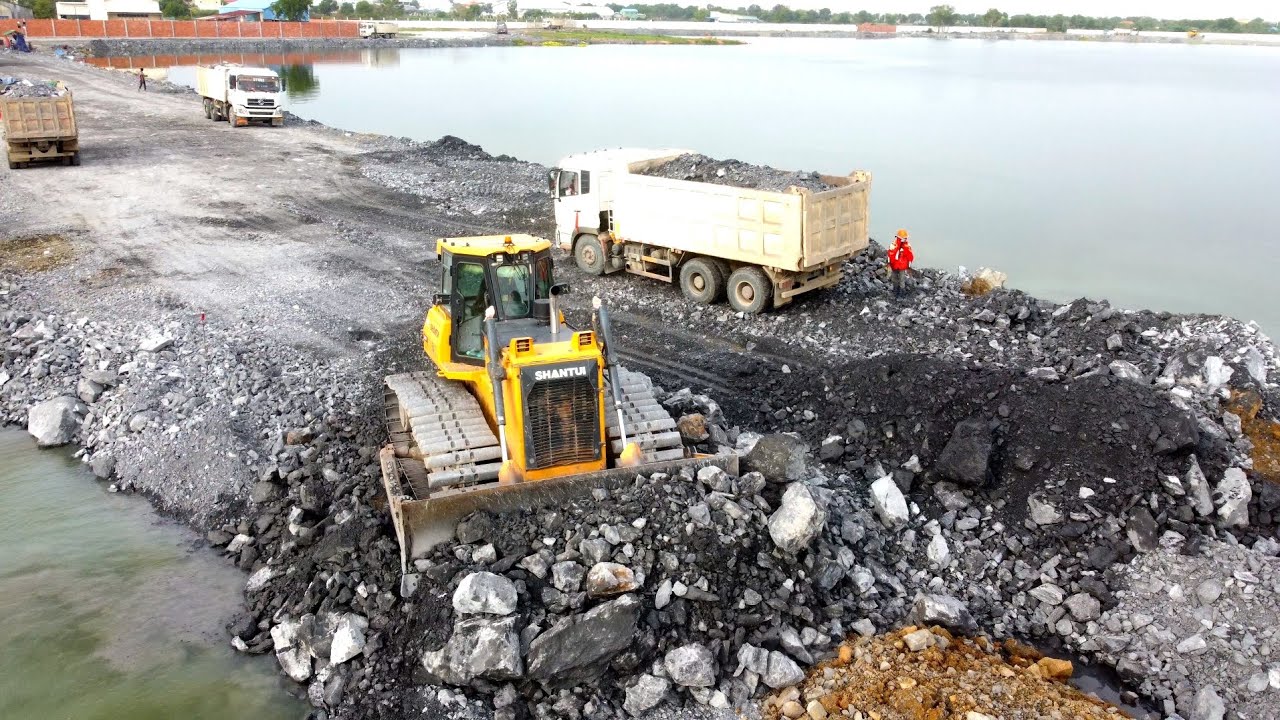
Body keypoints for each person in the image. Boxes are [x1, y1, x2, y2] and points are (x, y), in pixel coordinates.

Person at [887, 228, 915, 298]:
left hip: (901, 266)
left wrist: (908, 266)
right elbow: (890, 255)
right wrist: (889, 264)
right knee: (894, 279)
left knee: (902, 279)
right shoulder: (894, 245)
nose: (905, 240)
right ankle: (895, 291)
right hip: (895, 265)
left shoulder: (907, 246)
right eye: (904, 238)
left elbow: (910, 257)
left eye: (905, 238)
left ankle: (901, 293)